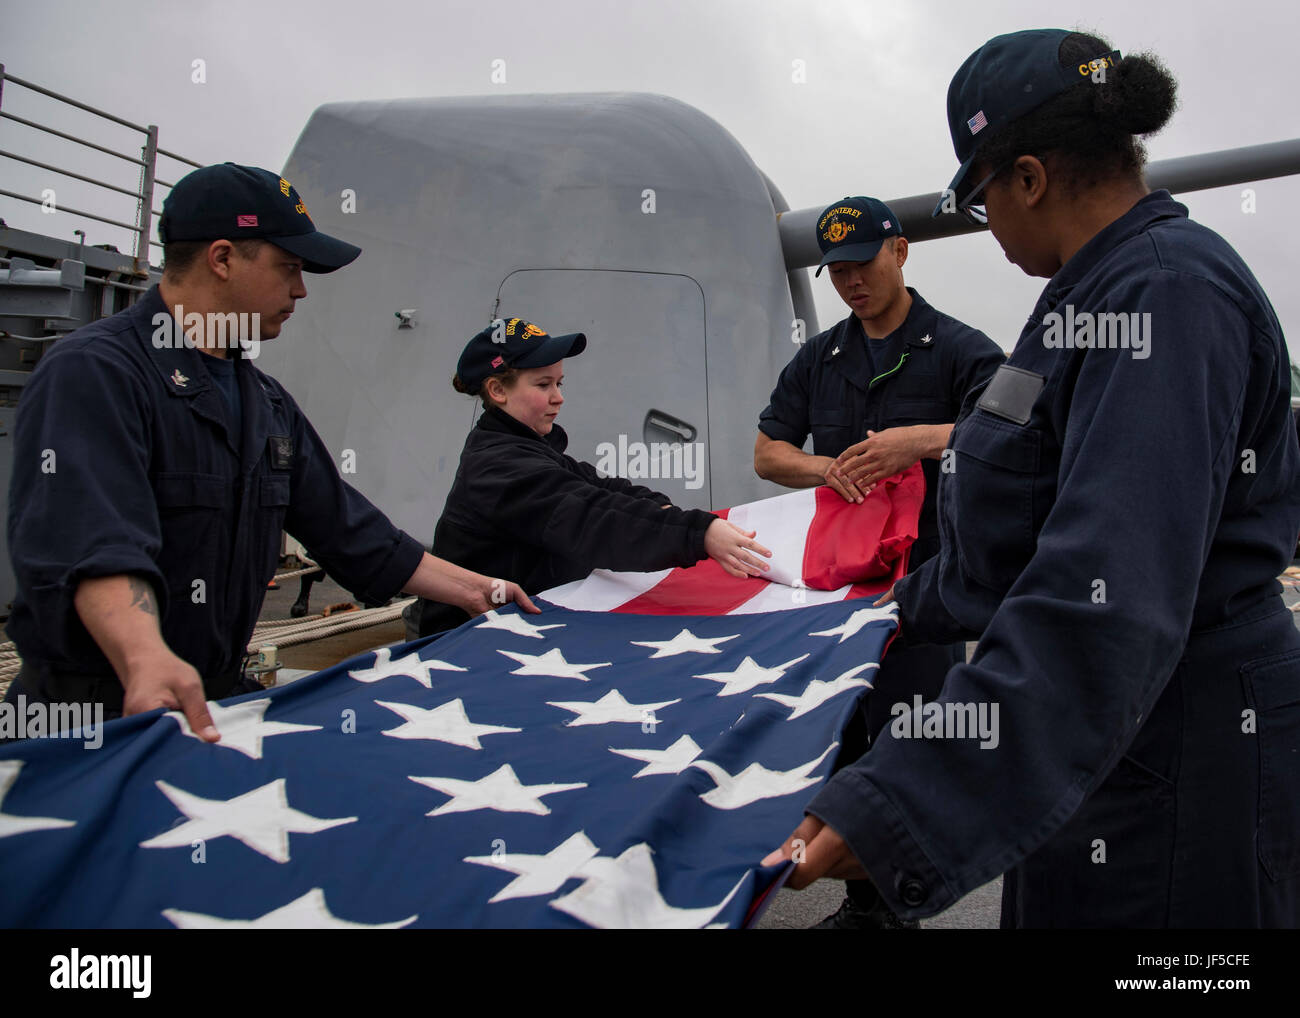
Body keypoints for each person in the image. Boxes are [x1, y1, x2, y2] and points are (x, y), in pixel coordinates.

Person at [765, 28, 1300, 927]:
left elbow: (1106, 593)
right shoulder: (1083, 301)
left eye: (981, 201)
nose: (990, 224)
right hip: (1103, 744)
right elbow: (1019, 532)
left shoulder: (1165, 295)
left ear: (1027, 177)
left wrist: (905, 799)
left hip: (1179, 759)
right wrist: (879, 611)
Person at [4, 163, 537, 744]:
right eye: (289, 267)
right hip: (96, 718)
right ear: (224, 258)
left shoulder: (263, 402)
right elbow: (96, 544)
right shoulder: (96, 374)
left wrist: (477, 590)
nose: (301, 289)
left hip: (206, 704)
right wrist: (143, 657)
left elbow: (352, 532)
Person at [754, 196, 1004, 927]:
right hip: (839, 593)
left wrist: (918, 440)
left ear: (899, 252)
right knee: (847, 748)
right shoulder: (820, 356)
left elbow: (1019, 433)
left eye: (863, 263)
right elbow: (768, 452)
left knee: (915, 746)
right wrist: (827, 468)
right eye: (837, 271)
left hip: (926, 593)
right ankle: (866, 901)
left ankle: (899, 909)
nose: (850, 282)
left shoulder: (962, 349)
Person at [408, 318, 772, 637]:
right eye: (543, 385)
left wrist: (660, 508)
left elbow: (600, 487)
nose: (558, 398)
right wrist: (699, 534)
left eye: (560, 384)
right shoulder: (499, 468)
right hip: (461, 644)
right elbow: (592, 517)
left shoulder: (523, 448)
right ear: (498, 390)